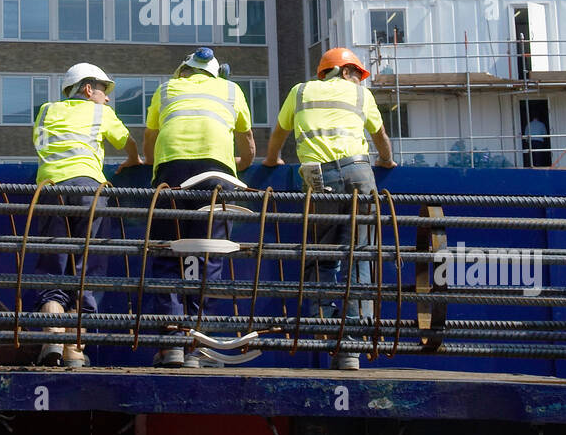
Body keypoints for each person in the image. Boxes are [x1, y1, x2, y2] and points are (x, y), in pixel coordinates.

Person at [262, 46, 396, 369]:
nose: (360, 81)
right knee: (359, 255)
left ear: (325, 72)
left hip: (319, 180)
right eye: (358, 75)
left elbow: (278, 135)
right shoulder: (361, 97)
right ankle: (349, 344)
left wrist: (271, 161)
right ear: (348, 72)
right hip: (359, 174)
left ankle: (325, 321)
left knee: (321, 257)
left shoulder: (300, 92)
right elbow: (381, 140)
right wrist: (387, 161)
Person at [142, 47, 256, 366]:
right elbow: (248, 144)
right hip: (218, 176)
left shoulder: (166, 89)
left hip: (172, 174)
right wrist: (241, 164)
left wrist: (149, 164)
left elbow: (149, 140)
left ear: (184, 71)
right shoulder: (231, 90)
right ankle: (195, 345)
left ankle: (172, 344)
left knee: (169, 255)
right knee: (206, 257)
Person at [31, 62, 141, 366]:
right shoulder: (100, 113)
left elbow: (39, 144)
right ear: (88, 89)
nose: (107, 99)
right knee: (88, 269)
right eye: (103, 91)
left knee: (53, 268)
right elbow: (127, 142)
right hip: (87, 189)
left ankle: (52, 340)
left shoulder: (45, 111)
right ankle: (75, 351)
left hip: (49, 190)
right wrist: (134, 159)